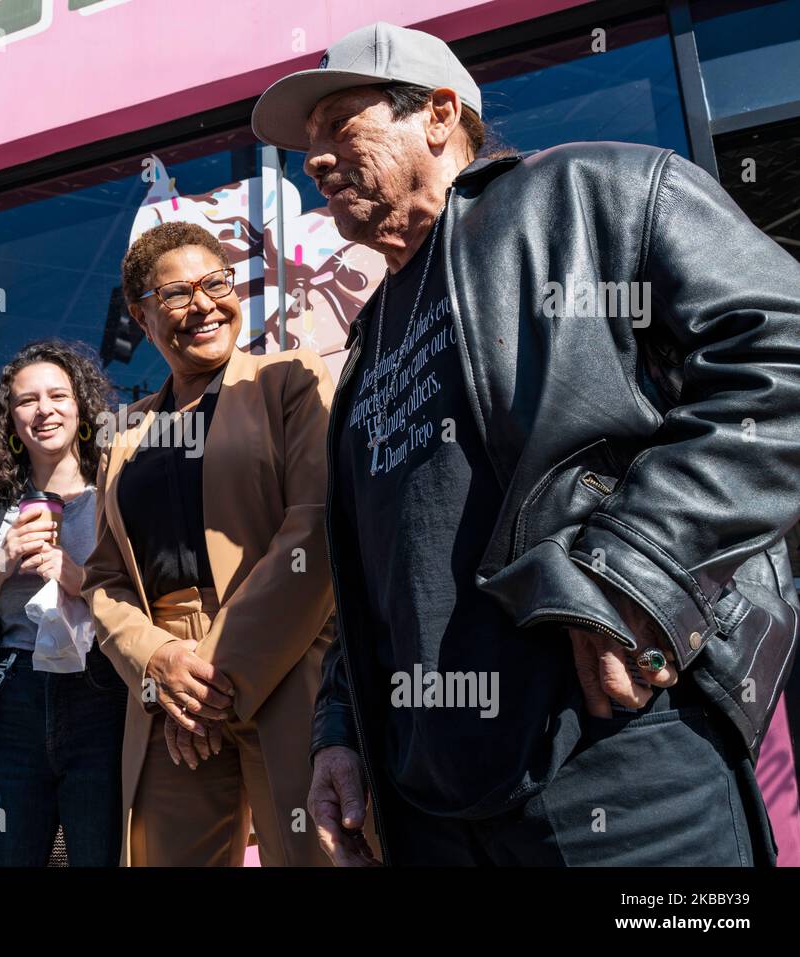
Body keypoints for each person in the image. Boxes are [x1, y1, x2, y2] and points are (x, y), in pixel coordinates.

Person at [251, 21, 800, 865]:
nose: (314, 159)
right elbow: (374, 578)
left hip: (617, 754)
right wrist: (341, 731)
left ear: (438, 115)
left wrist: (643, 567)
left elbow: (780, 348)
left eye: (340, 125)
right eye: (306, 145)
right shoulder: (363, 354)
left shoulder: (587, 195)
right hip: (432, 810)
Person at [83, 221, 335, 866]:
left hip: (283, 660)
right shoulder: (125, 430)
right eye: (173, 295)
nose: (202, 306)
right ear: (141, 318)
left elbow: (314, 527)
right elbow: (105, 579)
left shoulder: (288, 381)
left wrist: (215, 676)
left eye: (216, 283)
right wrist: (160, 662)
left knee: (317, 855)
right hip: (169, 687)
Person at [0, 341, 123, 867]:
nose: (44, 410)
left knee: (100, 851)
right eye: (26, 401)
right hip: (13, 699)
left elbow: (148, 602)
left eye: (58, 395)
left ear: (81, 407)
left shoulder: (116, 494)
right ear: (10, 419)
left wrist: (78, 579)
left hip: (103, 695)